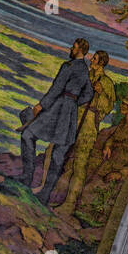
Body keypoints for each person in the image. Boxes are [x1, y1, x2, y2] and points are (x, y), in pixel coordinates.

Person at [21, 38, 93, 204]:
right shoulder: (84, 70)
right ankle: (45, 194)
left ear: (80, 50)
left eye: (74, 47)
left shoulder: (68, 66)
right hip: (70, 113)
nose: (71, 48)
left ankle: (27, 177)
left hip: (58, 107)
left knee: (27, 134)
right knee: (59, 154)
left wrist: (41, 105)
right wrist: (74, 102)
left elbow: (57, 88)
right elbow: (88, 94)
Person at [59, 49, 115, 215]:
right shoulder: (86, 75)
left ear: (102, 62)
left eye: (95, 58)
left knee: (80, 163)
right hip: (76, 115)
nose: (91, 60)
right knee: (62, 152)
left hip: (90, 120)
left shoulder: (106, 82)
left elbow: (108, 106)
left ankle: (70, 204)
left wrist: (101, 93)